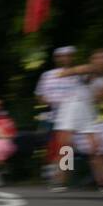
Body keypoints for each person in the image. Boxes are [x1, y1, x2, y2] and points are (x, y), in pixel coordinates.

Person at [53, 48, 103, 193]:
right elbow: (63, 73)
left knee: (95, 149)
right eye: (98, 57)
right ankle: (60, 181)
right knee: (65, 147)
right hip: (70, 107)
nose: (102, 60)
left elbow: (100, 100)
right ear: (93, 60)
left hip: (88, 112)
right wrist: (87, 71)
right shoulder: (86, 69)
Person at [34, 46, 81, 185]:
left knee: (67, 145)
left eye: (68, 56)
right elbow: (39, 96)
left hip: (73, 116)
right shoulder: (47, 75)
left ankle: (63, 177)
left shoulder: (78, 75)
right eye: (62, 56)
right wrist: (48, 100)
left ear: (72, 58)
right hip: (53, 115)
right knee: (50, 144)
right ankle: (52, 171)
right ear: (56, 58)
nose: (65, 58)